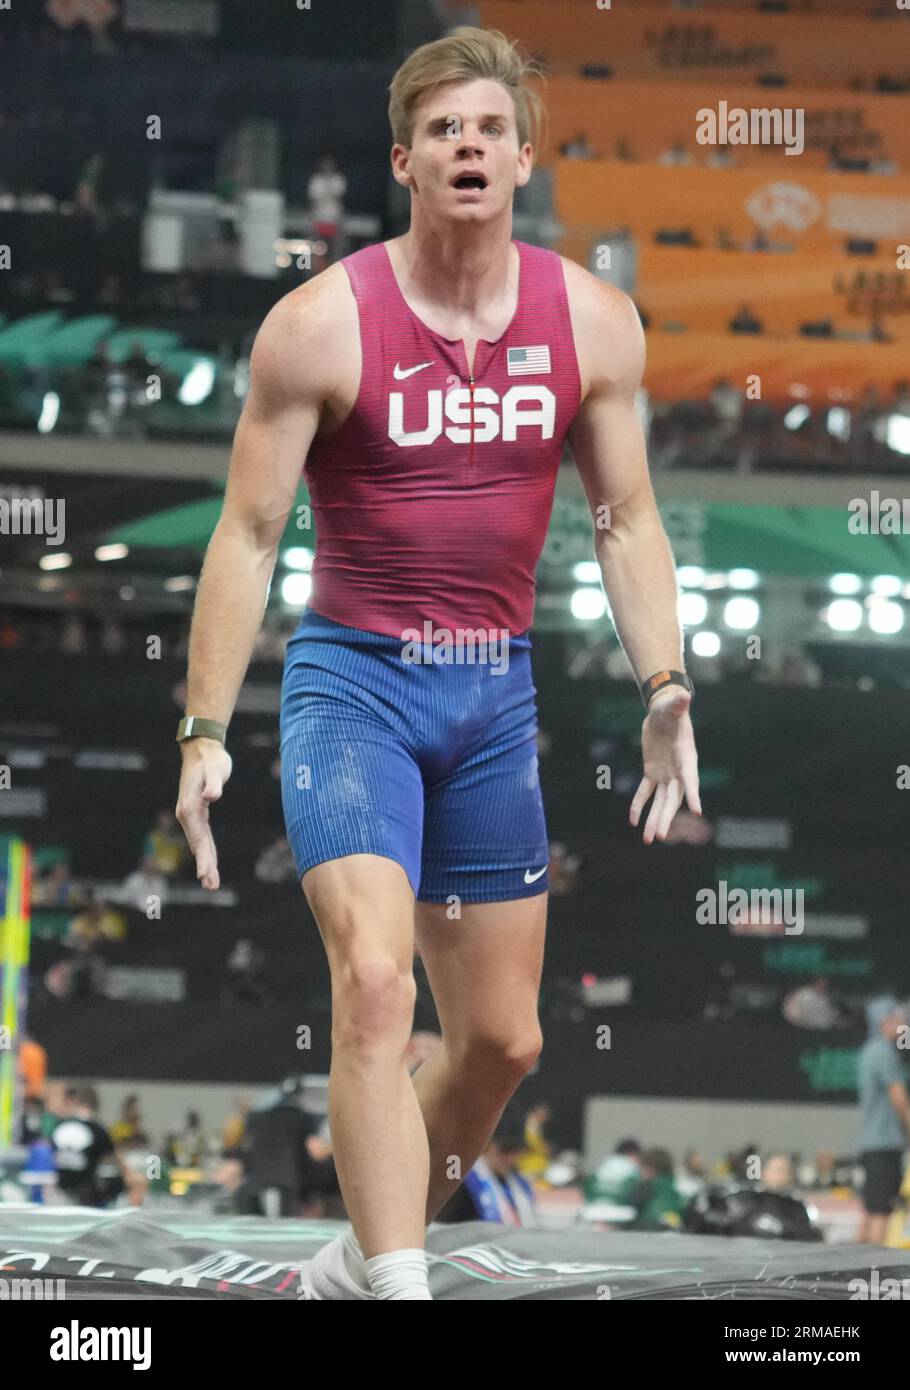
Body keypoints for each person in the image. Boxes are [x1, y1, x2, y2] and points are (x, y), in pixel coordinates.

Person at [175, 25, 700, 1301]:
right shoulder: (316, 326)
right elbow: (247, 534)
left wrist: (667, 686)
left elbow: (625, 521)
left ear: (523, 156)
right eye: (444, 131)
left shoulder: (592, 321)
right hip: (355, 686)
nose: (469, 146)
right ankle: (401, 1289)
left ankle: (354, 1262)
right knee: (368, 983)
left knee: (504, 1043)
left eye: (490, 128)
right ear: (404, 160)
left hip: (492, 703)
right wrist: (202, 727)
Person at [856, 996, 910, 1245]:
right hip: (886, 1145)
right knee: (882, 1213)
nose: (903, 1024)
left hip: (871, 1144)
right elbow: (899, 1100)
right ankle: (873, 1275)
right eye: (898, 1019)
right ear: (885, 1022)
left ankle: (850, 1274)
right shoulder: (885, 1053)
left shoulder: (869, 1051)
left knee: (870, 1211)